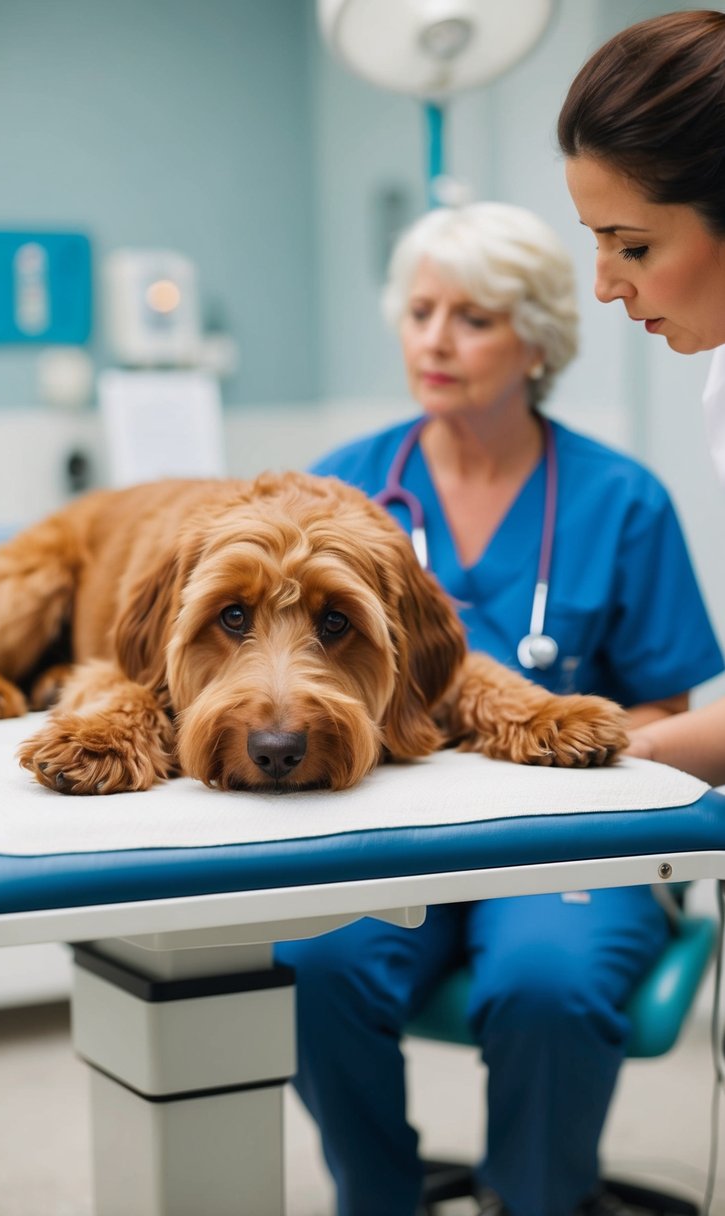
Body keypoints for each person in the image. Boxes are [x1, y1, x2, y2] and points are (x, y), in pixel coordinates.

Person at [274, 201, 724, 1216]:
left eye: (471, 317)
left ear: (538, 340)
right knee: (312, 960)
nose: (434, 339)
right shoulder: (339, 493)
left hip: (570, 848)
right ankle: (376, 1194)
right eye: (419, 310)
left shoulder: (620, 499)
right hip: (387, 837)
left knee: (546, 986)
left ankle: (535, 1197)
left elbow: (659, 712)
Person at [558, 8, 725, 786]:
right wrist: (633, 753)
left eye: (632, 246)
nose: (603, 285)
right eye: (594, 240)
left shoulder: (616, 497)